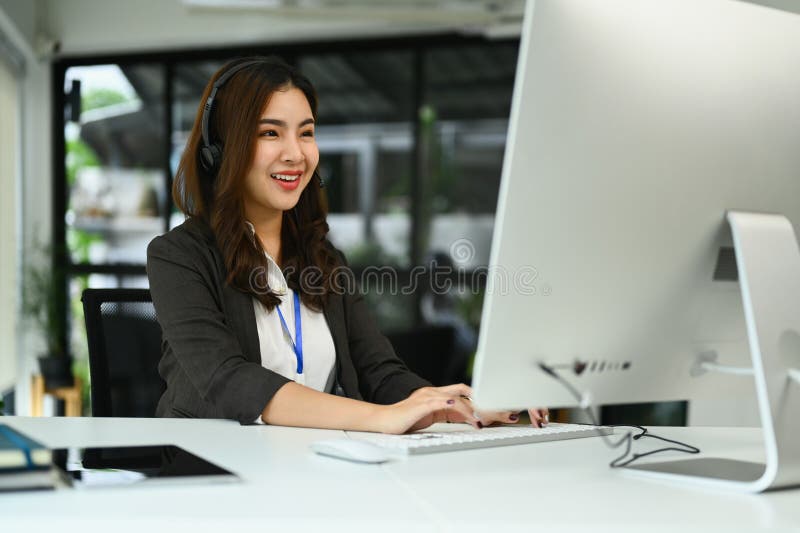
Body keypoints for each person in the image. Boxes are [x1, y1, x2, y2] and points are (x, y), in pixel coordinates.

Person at [147, 56, 549, 433]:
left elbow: (379, 373)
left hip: (317, 466)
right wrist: (381, 418)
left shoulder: (323, 259)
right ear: (220, 149)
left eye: (306, 133)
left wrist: (457, 406)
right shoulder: (178, 257)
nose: (296, 154)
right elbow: (229, 380)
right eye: (271, 133)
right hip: (213, 469)